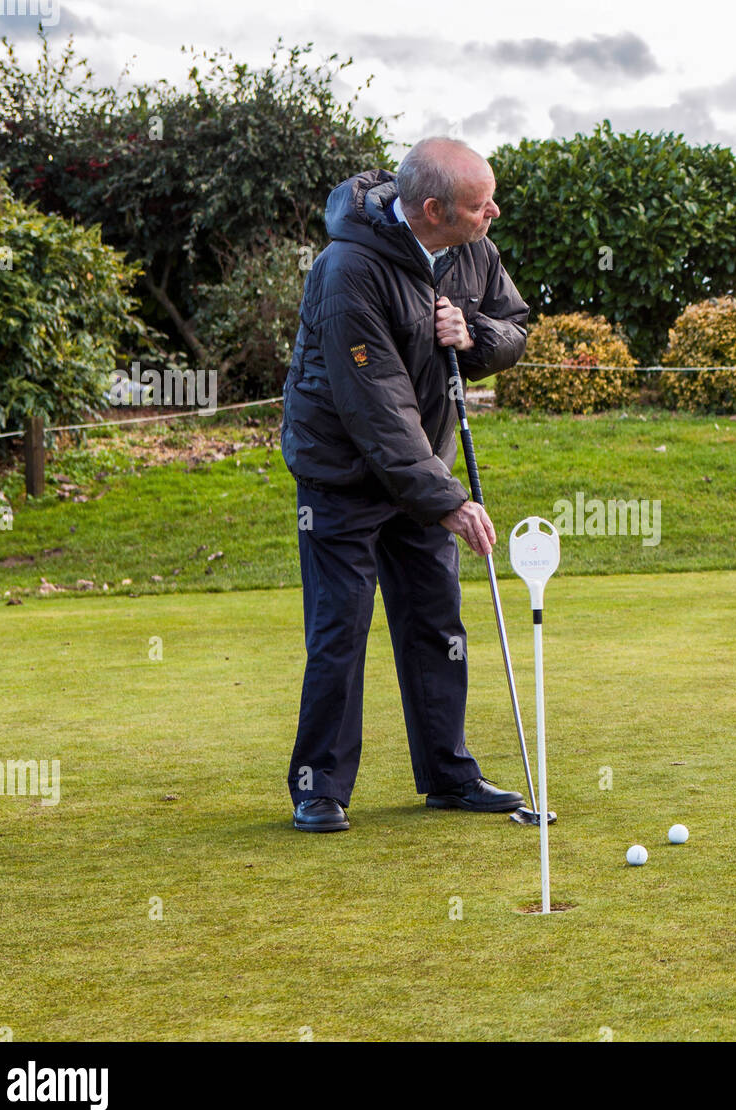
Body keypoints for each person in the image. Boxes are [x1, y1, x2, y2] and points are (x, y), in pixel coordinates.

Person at [280, 137, 529, 832]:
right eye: (481, 205)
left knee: (434, 622)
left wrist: (471, 332)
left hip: (421, 468)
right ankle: (318, 786)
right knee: (340, 629)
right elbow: (376, 406)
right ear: (432, 210)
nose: (494, 213)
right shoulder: (346, 269)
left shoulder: (473, 249)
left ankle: (449, 774)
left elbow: (514, 330)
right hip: (343, 473)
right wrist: (447, 499)